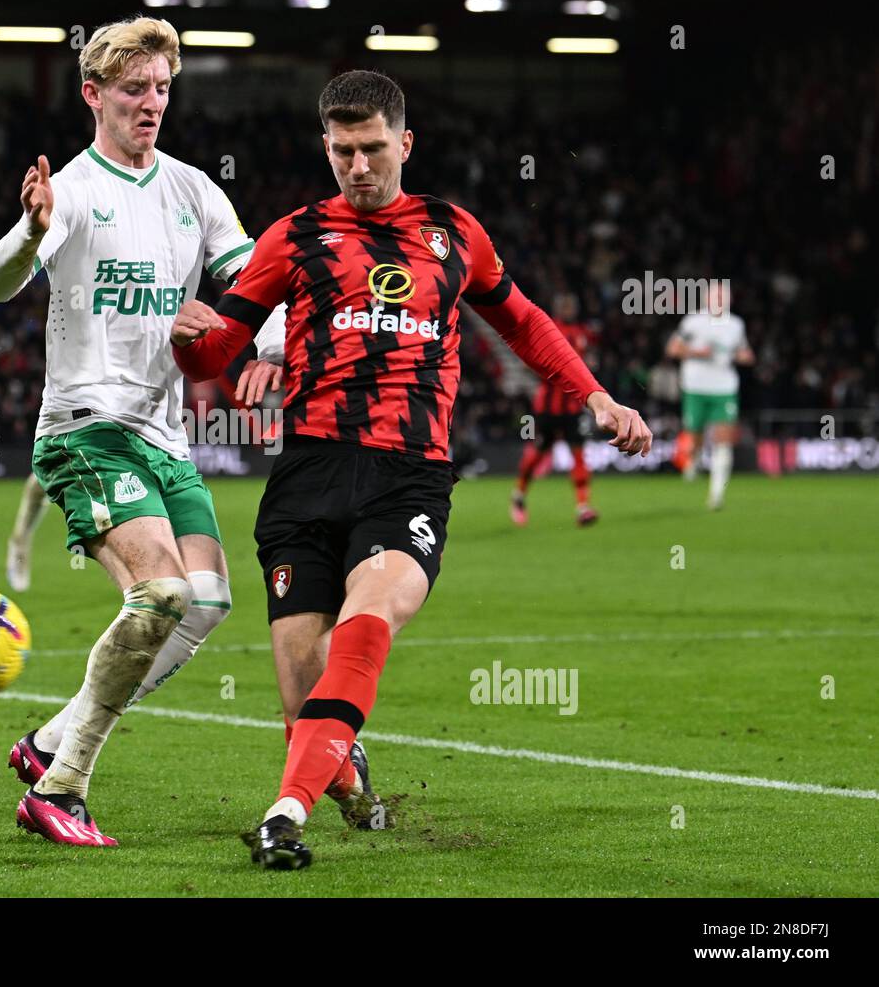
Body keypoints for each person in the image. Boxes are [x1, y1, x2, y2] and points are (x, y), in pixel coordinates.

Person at [171, 70, 652, 869]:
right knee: (302, 694)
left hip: (408, 475)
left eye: (372, 149)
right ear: (325, 147)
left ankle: (281, 816)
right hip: (307, 474)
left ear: (405, 143)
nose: (358, 167)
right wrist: (194, 336)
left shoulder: (454, 232)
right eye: (342, 151)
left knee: (371, 618)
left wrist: (594, 395)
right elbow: (217, 352)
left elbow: (523, 321)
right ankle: (342, 776)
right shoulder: (291, 238)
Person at [0, 15, 278, 846]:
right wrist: (32, 230)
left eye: (162, 89)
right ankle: (61, 789)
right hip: (84, 427)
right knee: (163, 593)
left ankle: (45, 745)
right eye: (135, 89)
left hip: (163, 436)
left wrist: (276, 349)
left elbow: (256, 282)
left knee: (208, 600)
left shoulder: (192, 191)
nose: (152, 103)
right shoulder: (71, 191)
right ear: (94, 95)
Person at [510, 293, 600, 526]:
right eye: (565, 305)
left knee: (579, 455)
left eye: (572, 305)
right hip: (547, 408)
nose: (569, 309)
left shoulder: (582, 333)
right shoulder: (549, 330)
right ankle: (519, 494)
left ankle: (583, 506)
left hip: (573, 407)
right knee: (536, 454)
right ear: (559, 308)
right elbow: (527, 359)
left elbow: (589, 363)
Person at [665, 283, 754, 510]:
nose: (720, 300)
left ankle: (716, 495)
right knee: (694, 436)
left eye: (724, 297)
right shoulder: (693, 322)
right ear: (706, 299)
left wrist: (743, 356)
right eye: (716, 296)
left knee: (723, 440)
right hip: (695, 386)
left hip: (724, 388)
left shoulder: (736, 324)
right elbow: (672, 349)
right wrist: (696, 352)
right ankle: (693, 461)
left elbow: (745, 352)